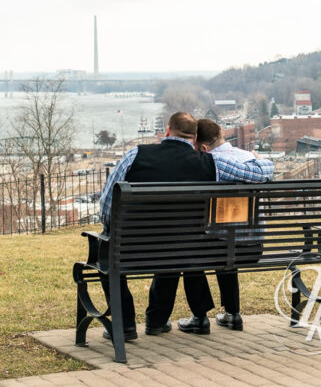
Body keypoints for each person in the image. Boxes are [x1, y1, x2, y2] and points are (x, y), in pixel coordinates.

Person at [98, 111, 273, 340]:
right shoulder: (212, 162)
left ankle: (126, 324)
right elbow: (259, 173)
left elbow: (107, 205)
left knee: (105, 250)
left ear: (167, 131)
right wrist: (261, 160)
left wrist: (112, 229)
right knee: (175, 247)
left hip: (132, 251)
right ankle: (156, 320)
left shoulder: (135, 155)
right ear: (194, 137)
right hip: (186, 250)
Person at [177, 117, 274, 335]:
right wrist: (264, 161)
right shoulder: (249, 158)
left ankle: (199, 317)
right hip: (253, 249)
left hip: (221, 249)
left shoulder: (208, 162)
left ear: (202, 146)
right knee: (226, 238)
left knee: (191, 250)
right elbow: (265, 169)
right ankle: (232, 313)